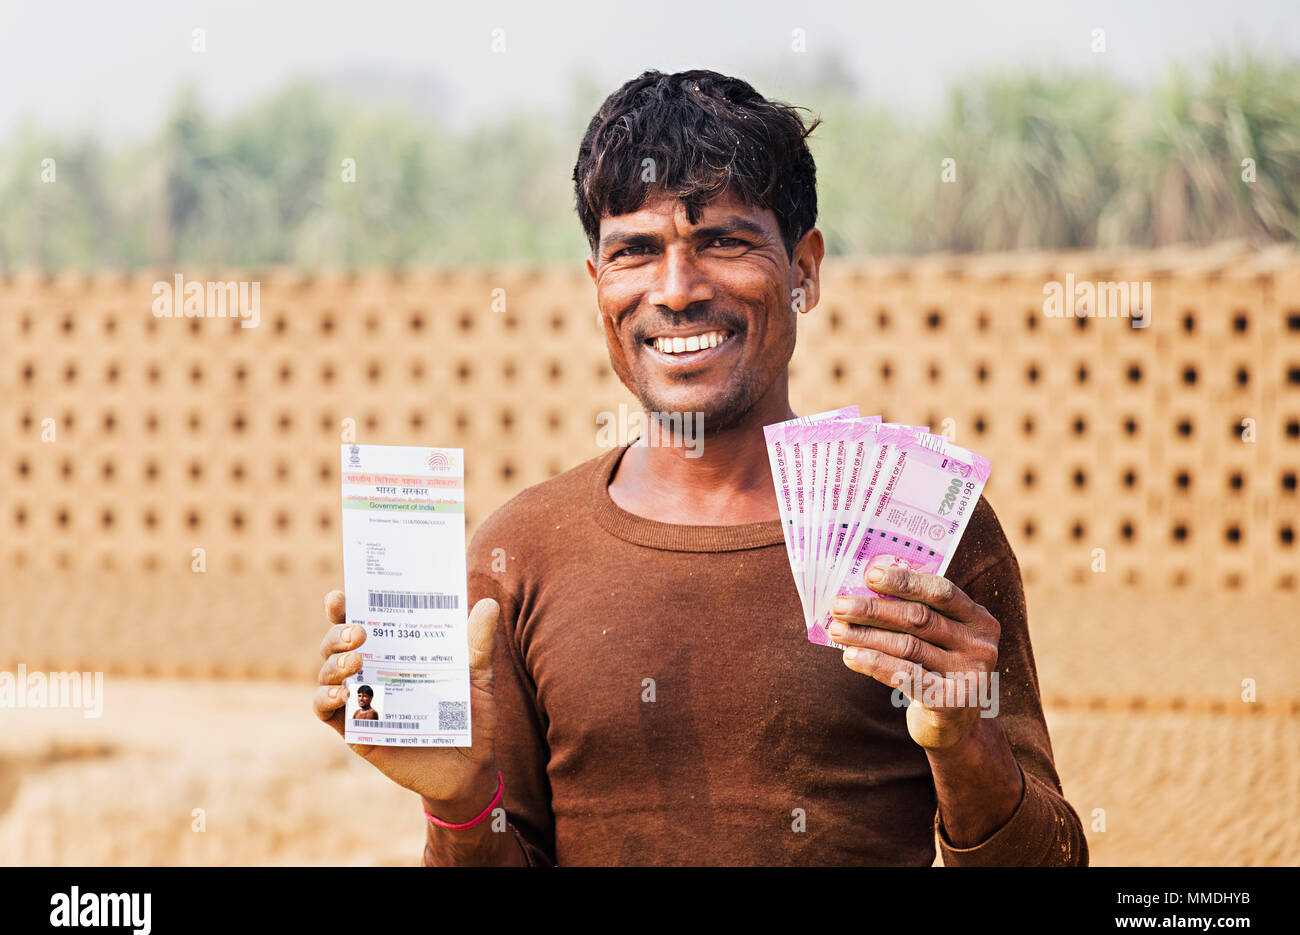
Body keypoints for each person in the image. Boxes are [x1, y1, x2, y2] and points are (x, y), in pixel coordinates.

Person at [314, 68, 1088, 866]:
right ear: (598, 287)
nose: (676, 290)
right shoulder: (522, 552)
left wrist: (967, 749)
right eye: (636, 252)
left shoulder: (917, 537)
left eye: (724, 241)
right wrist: (462, 803)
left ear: (805, 269)